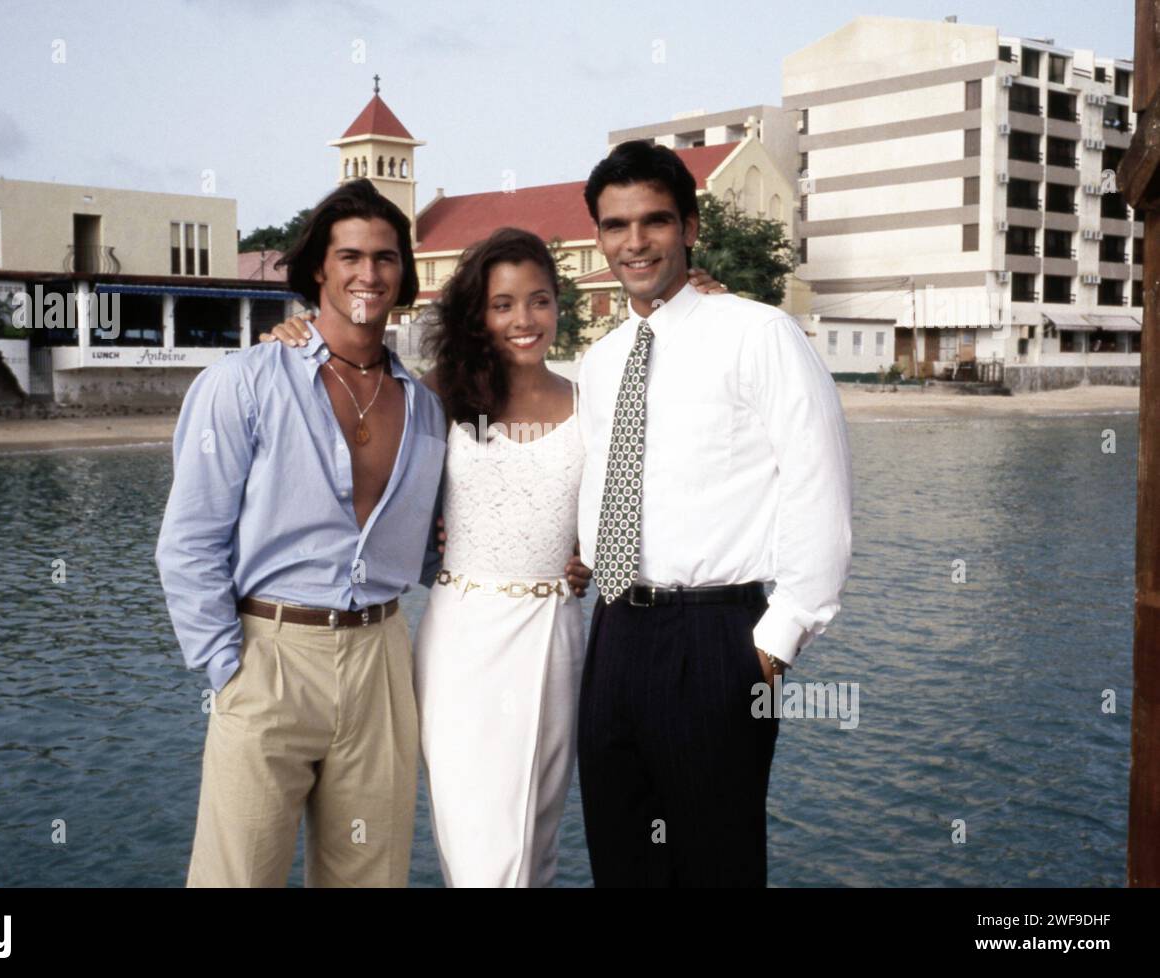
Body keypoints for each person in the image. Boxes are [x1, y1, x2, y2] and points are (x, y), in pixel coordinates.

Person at [262, 229, 726, 886]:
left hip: (558, 636)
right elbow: (348, 416)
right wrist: (295, 337)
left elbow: (633, 486)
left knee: (535, 847)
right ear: (478, 315)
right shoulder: (435, 396)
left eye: (538, 301)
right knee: (484, 854)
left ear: (558, 305)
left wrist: (700, 300)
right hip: (464, 644)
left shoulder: (591, 397)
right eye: (503, 305)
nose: (523, 319)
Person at [574, 140, 853, 887]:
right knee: (623, 864)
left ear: (690, 227)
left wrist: (775, 644)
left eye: (655, 221)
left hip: (716, 640)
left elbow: (819, 485)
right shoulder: (600, 361)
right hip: (613, 635)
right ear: (599, 237)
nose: (635, 242)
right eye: (616, 225)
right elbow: (599, 481)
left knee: (715, 868)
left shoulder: (759, 334)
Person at [155, 178, 448, 887]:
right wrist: (228, 667)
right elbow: (189, 542)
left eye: (385, 257)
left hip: (382, 658)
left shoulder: (425, 408)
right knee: (236, 877)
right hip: (270, 656)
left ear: (403, 272)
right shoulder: (245, 382)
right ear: (319, 267)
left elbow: (436, 545)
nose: (368, 273)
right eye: (350, 256)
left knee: (370, 878)